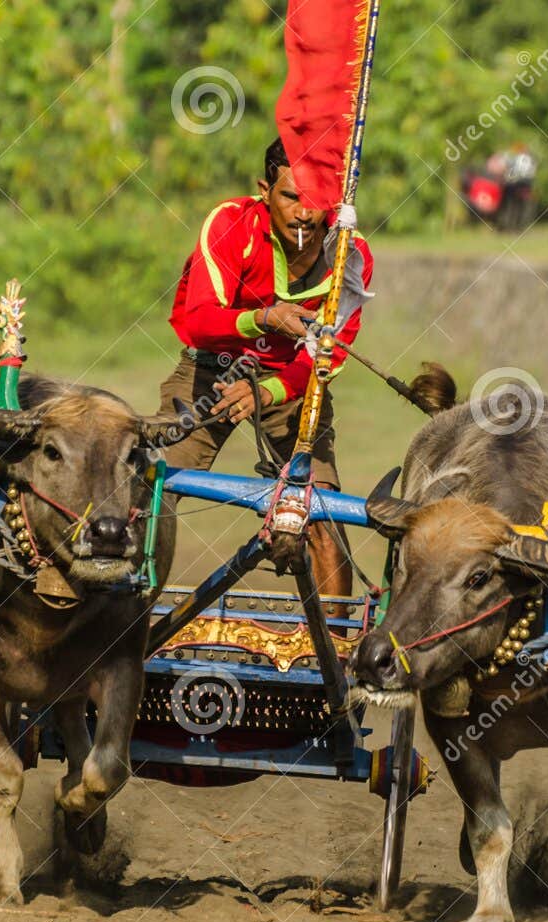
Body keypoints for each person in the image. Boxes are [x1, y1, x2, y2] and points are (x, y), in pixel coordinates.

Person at [159, 138, 374, 598]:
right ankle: (122, 628)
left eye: (316, 201)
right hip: (209, 372)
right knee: (152, 495)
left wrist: (268, 392)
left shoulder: (350, 256)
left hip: (294, 385)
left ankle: (332, 657)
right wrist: (263, 317)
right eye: (290, 197)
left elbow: (327, 356)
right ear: (265, 191)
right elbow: (197, 323)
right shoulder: (230, 223)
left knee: (321, 517)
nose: (303, 213)